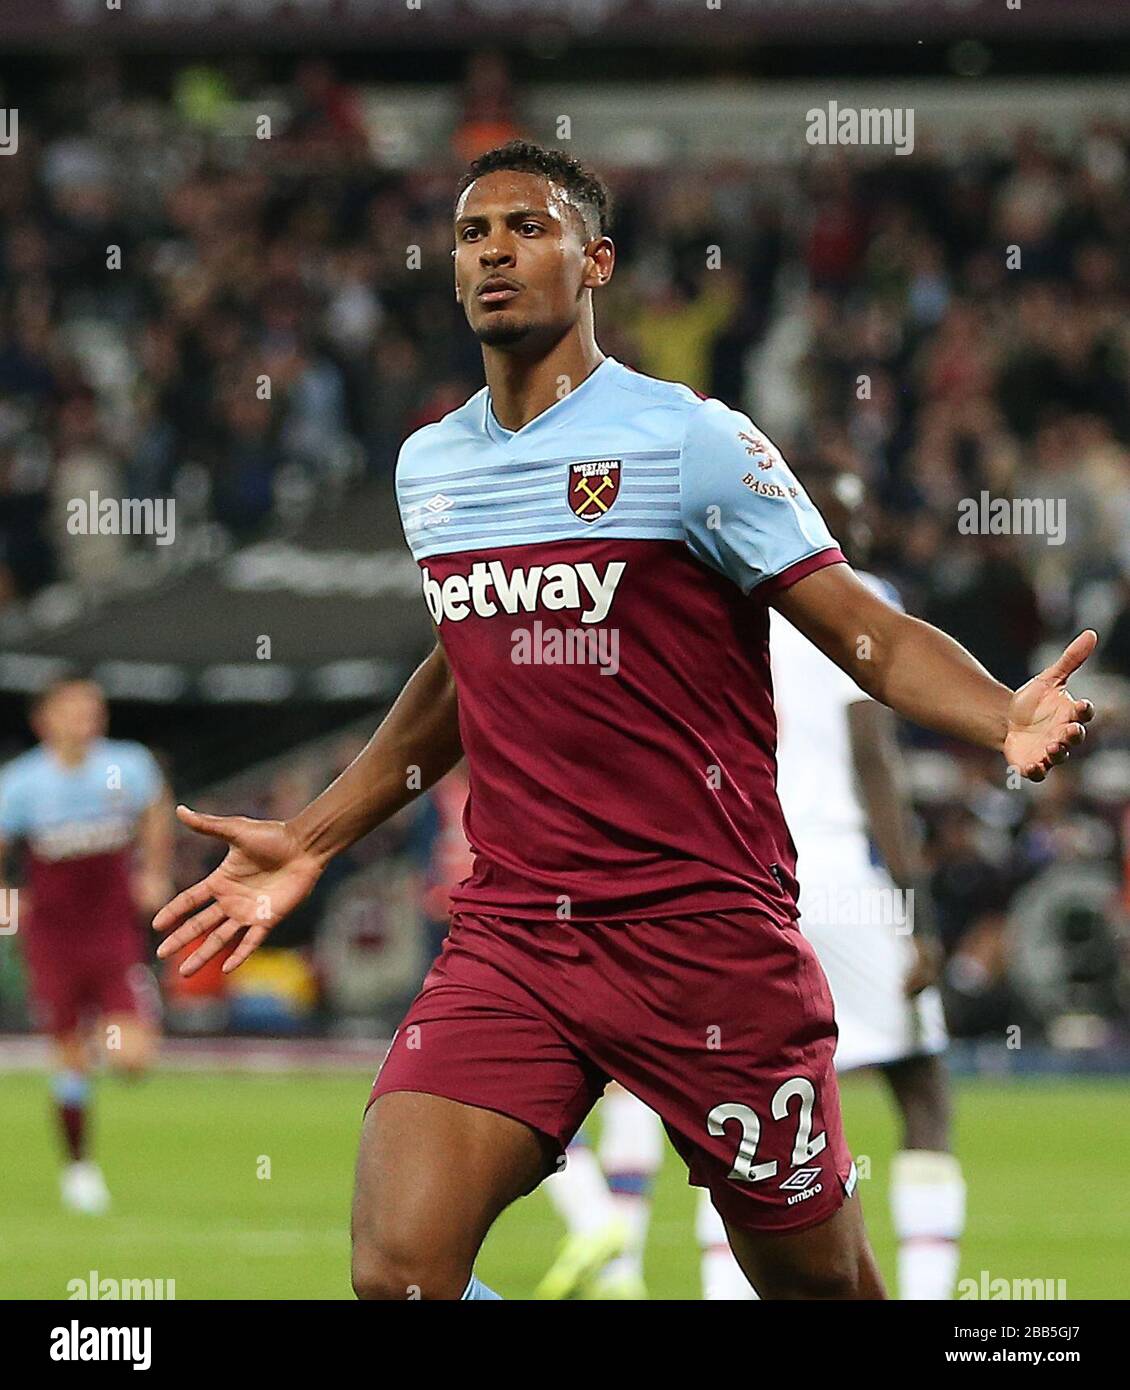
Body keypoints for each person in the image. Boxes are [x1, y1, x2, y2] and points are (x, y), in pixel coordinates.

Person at [152, 141, 1094, 1300]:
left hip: (704, 936)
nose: (494, 249)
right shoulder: (428, 468)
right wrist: (309, 834)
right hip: (517, 938)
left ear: (594, 260)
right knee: (396, 1271)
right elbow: (462, 667)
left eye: (528, 228)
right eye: (471, 233)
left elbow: (867, 629)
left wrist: (999, 713)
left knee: (821, 1288)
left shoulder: (689, 441)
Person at [0, 676, 171, 1212]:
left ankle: (101, 1036)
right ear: (44, 719)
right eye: (74, 709)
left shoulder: (127, 765)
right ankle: (79, 1170)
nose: (87, 719)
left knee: (132, 1060)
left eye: (93, 709)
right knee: (68, 1057)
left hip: (112, 932)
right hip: (52, 937)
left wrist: (155, 871)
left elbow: (156, 810)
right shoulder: (22, 783)